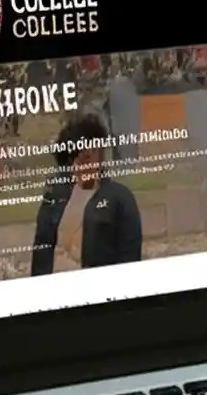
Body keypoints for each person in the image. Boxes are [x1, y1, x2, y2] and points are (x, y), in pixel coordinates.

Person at [31, 113, 142, 275]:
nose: (82, 167)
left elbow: (130, 258)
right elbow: (41, 253)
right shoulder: (54, 199)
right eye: (78, 160)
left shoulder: (119, 199)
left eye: (89, 158)